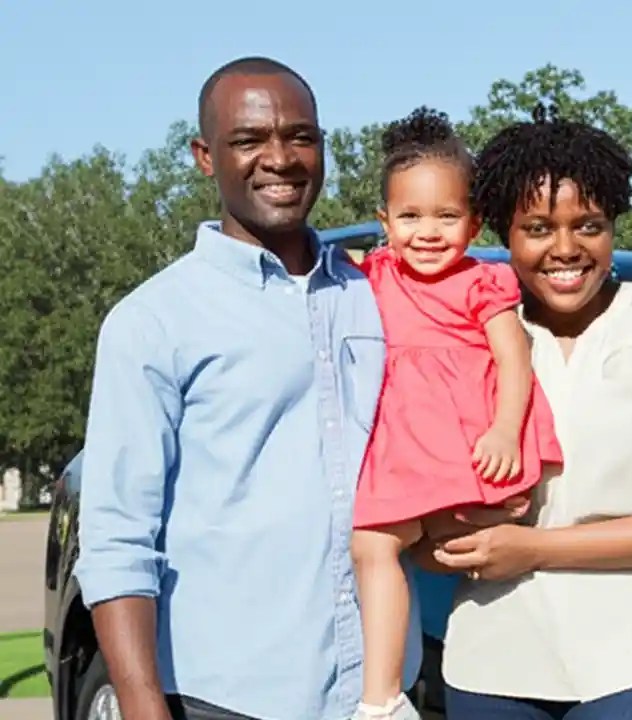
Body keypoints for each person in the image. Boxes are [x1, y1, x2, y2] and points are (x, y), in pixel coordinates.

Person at [73, 56, 421, 720]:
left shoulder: (376, 294)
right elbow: (117, 540)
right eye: (249, 140)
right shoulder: (152, 322)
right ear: (206, 156)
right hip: (227, 698)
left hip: (383, 694)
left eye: (300, 136)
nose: (280, 158)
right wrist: (145, 709)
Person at [428, 105, 632, 719]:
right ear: (500, 232)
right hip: (492, 657)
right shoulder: (468, 336)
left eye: (589, 225)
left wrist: (535, 549)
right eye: (539, 228)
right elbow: (426, 507)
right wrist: (439, 540)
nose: (567, 248)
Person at [348, 107, 562, 719]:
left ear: (473, 223)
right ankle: (383, 700)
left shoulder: (483, 283)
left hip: (466, 441)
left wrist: (505, 429)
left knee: (440, 534)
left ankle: (390, 695)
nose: (428, 231)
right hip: (407, 445)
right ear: (385, 223)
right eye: (410, 216)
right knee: (373, 545)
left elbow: (514, 359)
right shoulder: (376, 275)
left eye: (447, 216)